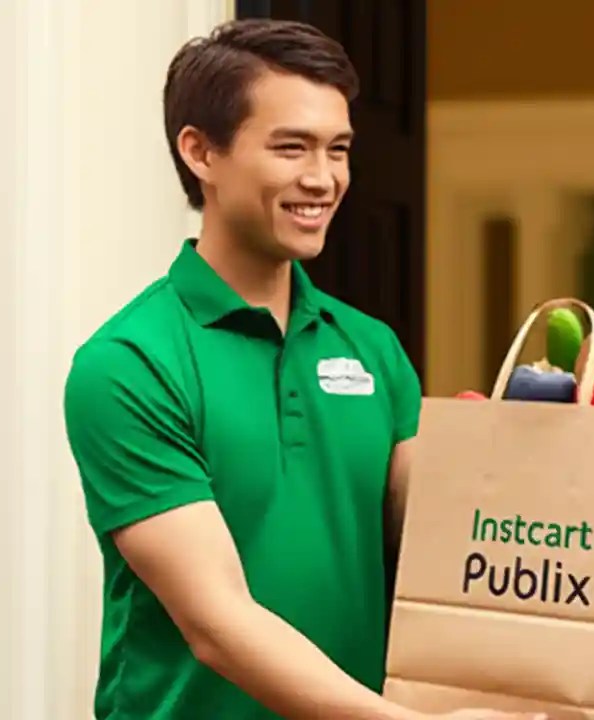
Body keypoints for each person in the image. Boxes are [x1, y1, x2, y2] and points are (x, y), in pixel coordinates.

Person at [62, 19, 533, 720]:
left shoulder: (372, 348)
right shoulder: (130, 364)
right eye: (291, 148)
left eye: (337, 150)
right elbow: (217, 623)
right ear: (201, 152)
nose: (323, 179)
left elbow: (443, 537)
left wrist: (546, 456)